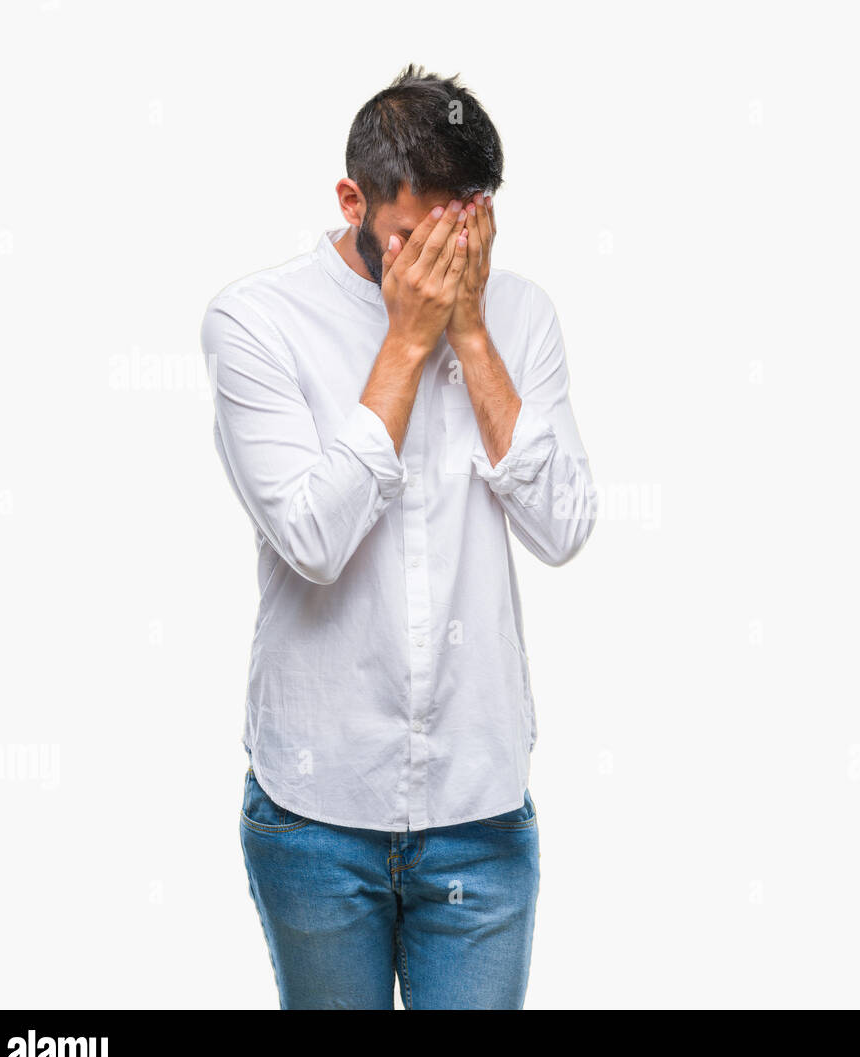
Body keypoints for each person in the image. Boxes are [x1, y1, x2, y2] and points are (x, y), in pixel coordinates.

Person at [200, 64, 596, 1009]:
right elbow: (313, 538)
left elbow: (565, 526)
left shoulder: (522, 317)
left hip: (479, 812)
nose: (448, 265)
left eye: (469, 231)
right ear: (352, 200)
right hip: (316, 813)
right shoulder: (254, 322)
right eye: (419, 239)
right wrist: (409, 343)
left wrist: (470, 338)